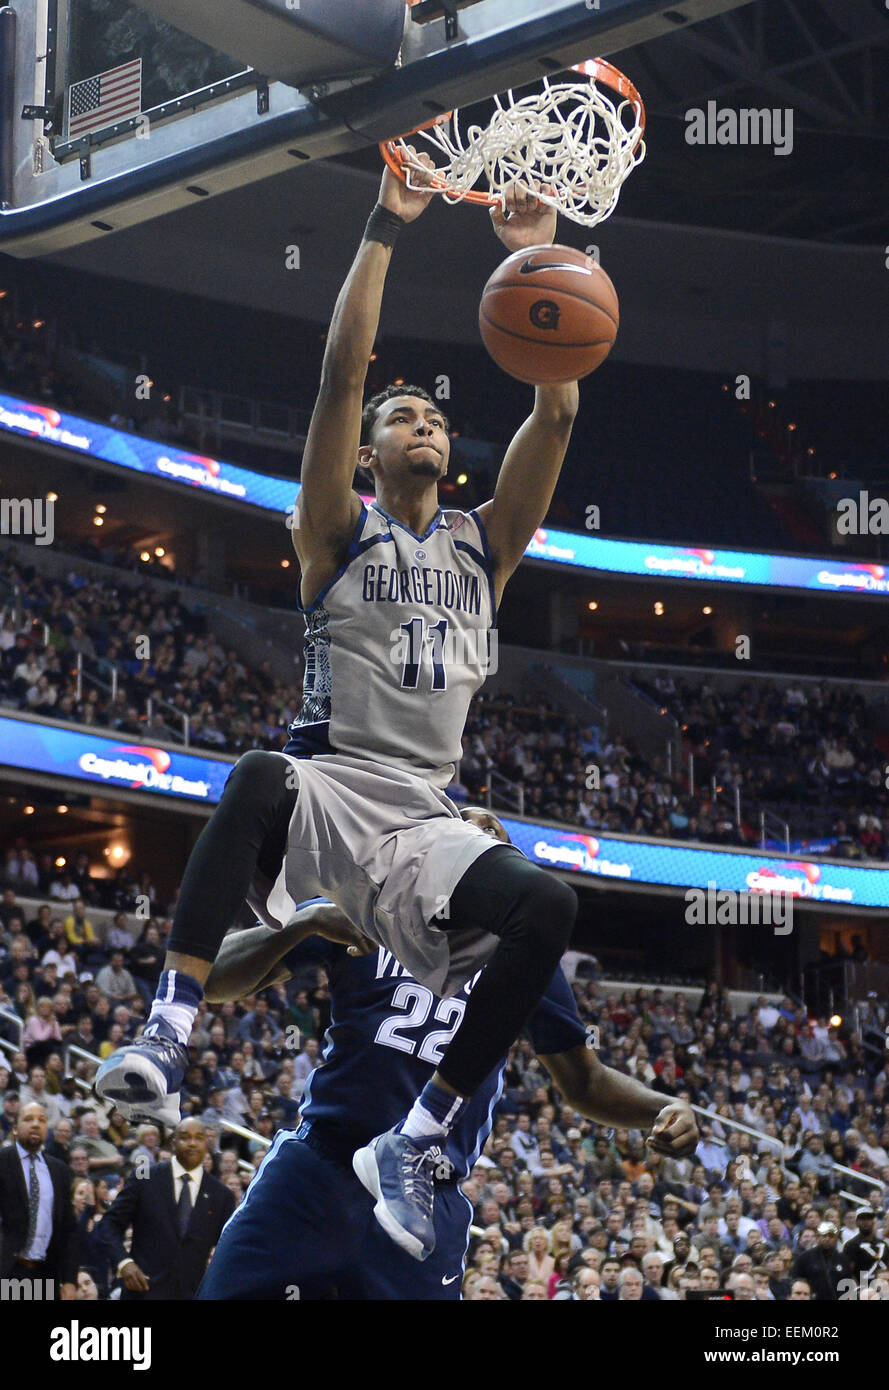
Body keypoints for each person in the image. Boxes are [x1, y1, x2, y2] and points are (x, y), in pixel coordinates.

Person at [96, 156, 611, 1265]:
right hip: (328, 780)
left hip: (426, 818)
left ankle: (421, 1142)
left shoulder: (484, 545)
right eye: (403, 417)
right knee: (251, 775)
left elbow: (558, 404)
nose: (422, 424)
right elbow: (340, 377)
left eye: (432, 416)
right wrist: (388, 220)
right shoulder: (337, 529)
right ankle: (168, 1025)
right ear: (373, 454)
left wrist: (535, 247)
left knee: (547, 911)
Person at [197, 819, 698, 1299]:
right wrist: (301, 923)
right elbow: (213, 978)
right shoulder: (370, 908)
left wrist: (662, 1105)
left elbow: (585, 1083)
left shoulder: (525, 958)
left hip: (426, 1191)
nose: (475, 839)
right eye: (462, 827)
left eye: (492, 838)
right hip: (318, 1167)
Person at [99, 1118, 235, 1300]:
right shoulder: (145, 1178)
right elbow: (109, 1225)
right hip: (143, 1292)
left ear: (206, 1143)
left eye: (199, 1138)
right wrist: (124, 1263)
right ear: (173, 1142)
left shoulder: (221, 1194)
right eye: (185, 1137)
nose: (192, 1143)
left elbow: (228, 1249)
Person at [0, 1102, 79, 1296]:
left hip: (45, 1273)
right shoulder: (2, 1161)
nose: (36, 1124)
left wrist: (69, 1280)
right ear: (16, 1129)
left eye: (42, 1120)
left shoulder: (60, 1170)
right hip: (7, 1269)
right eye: (28, 1119)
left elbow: (68, 1229)